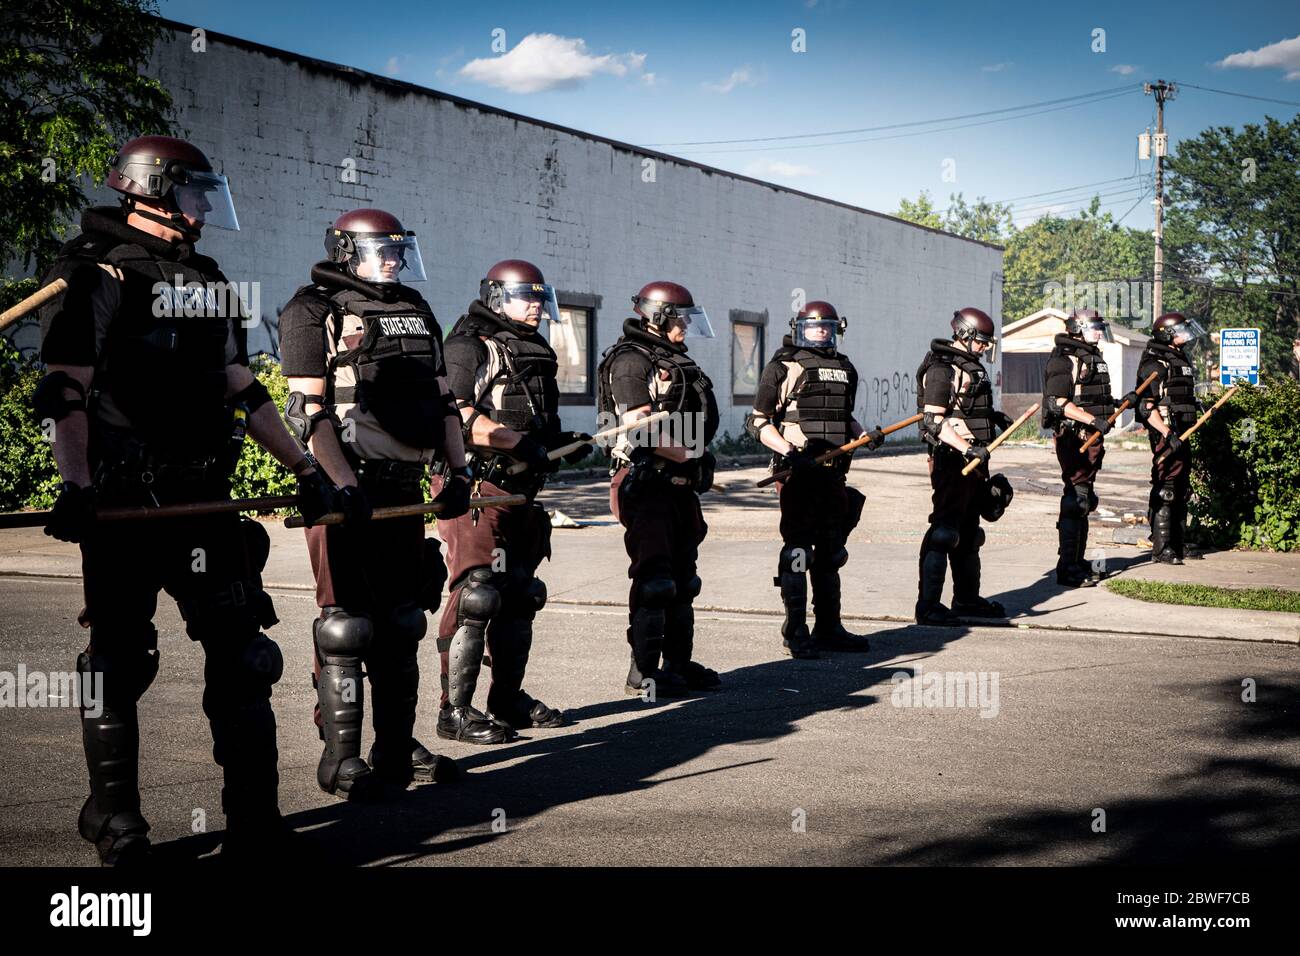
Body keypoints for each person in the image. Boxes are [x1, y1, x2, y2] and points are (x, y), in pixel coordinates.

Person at [33, 135, 335, 863]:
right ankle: (116, 821)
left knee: (244, 658)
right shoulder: (92, 274)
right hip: (127, 503)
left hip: (204, 499)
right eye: (197, 192)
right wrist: (75, 486)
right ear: (156, 189)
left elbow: (242, 389)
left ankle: (255, 823)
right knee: (119, 661)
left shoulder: (207, 278)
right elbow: (65, 390)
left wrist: (304, 469)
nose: (205, 207)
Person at [278, 208, 470, 800]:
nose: (393, 258)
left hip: (403, 488)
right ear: (345, 251)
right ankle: (340, 758)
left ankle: (394, 745)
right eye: (379, 248)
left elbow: (442, 401)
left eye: (397, 248)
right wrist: (343, 485)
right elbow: (304, 410)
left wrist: (459, 471)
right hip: (346, 487)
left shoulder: (415, 307)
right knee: (346, 626)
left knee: (401, 622)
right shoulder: (312, 308)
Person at [432, 259, 585, 744]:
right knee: (477, 595)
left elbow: (535, 418)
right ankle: (453, 711)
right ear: (498, 297)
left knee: (519, 595)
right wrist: (517, 444)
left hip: (520, 492)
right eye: (527, 296)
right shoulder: (468, 345)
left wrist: (561, 442)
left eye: (542, 297)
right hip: (477, 486)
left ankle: (507, 699)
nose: (537, 305)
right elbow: (454, 417)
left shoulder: (534, 349)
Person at [597, 281, 721, 696]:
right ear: (658, 316)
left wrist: (696, 459)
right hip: (645, 481)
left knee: (685, 581)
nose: (686, 326)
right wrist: (688, 455)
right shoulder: (631, 360)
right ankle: (644, 671)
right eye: (680, 318)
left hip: (678, 487)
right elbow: (640, 428)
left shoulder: (676, 361)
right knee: (655, 581)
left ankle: (678, 664)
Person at [745, 301, 879, 658]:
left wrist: (865, 436)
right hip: (798, 472)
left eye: (827, 326)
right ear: (799, 327)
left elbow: (846, 417)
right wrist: (790, 452)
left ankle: (828, 628)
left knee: (831, 552)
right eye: (814, 326)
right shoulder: (782, 366)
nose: (821, 331)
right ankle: (796, 630)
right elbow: (758, 422)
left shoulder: (845, 367)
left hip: (833, 473)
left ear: (837, 329)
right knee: (799, 551)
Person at [914, 307, 1017, 626]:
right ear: (965, 335)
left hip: (975, 459)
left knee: (970, 533)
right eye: (982, 341)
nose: (986, 348)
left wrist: (993, 419)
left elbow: (966, 407)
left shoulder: (971, 366)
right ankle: (928, 606)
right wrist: (967, 448)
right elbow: (933, 420)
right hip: (951, 459)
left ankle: (966, 599)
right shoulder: (942, 367)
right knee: (945, 530)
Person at [1042, 308, 1115, 587]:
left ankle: (1078, 560)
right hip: (1075, 437)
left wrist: (1120, 403)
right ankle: (1067, 568)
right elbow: (1058, 403)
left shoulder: (1091, 356)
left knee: (1085, 498)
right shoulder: (1064, 359)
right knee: (1075, 499)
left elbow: (1091, 398)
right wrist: (1093, 420)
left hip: (1091, 435)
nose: (1099, 331)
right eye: (1094, 326)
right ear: (1079, 327)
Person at [1130, 312, 1207, 564]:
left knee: (1182, 488)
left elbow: (1179, 394)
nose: (1186, 335)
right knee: (1167, 488)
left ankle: (1178, 543)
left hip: (1184, 431)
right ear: (1167, 334)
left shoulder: (1179, 358)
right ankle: (1162, 549)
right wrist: (1166, 433)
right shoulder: (1155, 362)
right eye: (1180, 331)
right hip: (1167, 432)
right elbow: (1146, 407)